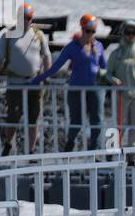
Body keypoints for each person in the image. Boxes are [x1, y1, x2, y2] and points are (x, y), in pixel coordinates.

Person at [32, 13, 119, 152]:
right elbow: (56, 66)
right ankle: (70, 143)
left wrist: (114, 78)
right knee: (76, 121)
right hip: (76, 88)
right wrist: (38, 79)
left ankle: (94, 151)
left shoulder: (99, 46)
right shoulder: (72, 46)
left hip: (95, 88)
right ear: (82, 29)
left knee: (97, 121)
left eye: (93, 31)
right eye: (87, 31)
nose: (89, 34)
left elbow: (105, 68)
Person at [0, 3, 51, 155]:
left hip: (34, 82)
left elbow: (47, 56)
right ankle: (8, 143)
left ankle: (31, 150)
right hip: (15, 83)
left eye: (29, 18)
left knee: (34, 117)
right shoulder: (8, 35)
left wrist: (46, 75)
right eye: (24, 18)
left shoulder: (38, 35)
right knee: (13, 115)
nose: (27, 21)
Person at [106, 20, 135, 148]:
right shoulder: (115, 54)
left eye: (133, 32)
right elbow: (108, 73)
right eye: (128, 32)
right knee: (120, 122)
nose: (131, 35)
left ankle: (133, 153)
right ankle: (112, 149)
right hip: (121, 94)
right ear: (123, 33)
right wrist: (113, 80)